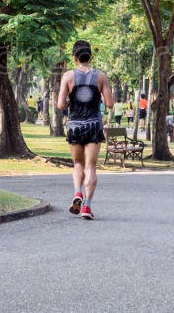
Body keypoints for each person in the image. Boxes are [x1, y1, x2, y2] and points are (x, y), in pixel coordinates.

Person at [57, 40, 113, 220]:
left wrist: (69, 101)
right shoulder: (101, 77)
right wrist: (98, 99)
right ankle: (87, 206)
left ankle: (77, 193)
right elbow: (110, 104)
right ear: (90, 56)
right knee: (90, 167)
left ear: (75, 58)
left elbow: (60, 105)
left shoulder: (68, 76)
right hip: (93, 125)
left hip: (74, 126)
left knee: (78, 164)